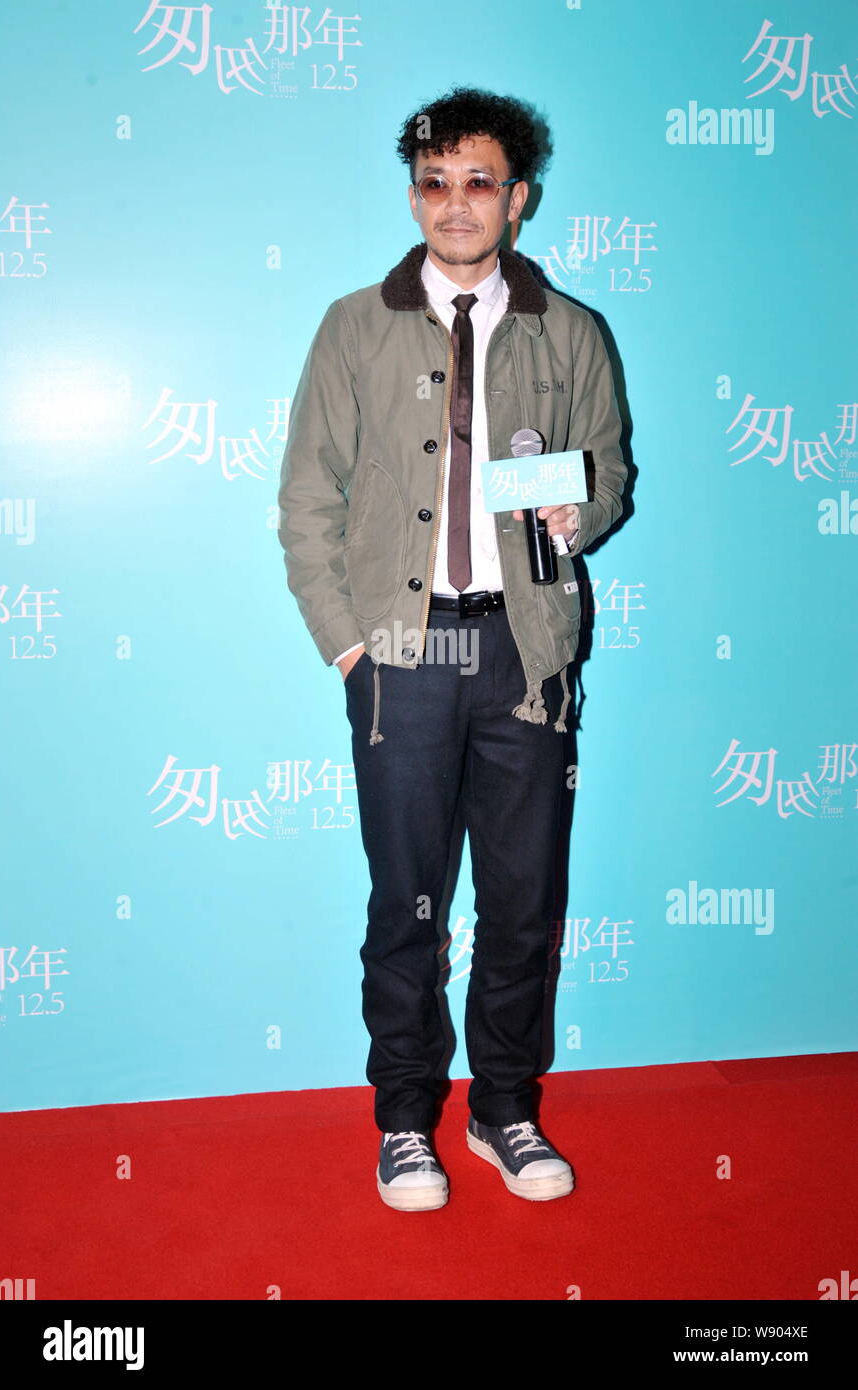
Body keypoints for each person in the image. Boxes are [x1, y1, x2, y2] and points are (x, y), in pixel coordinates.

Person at [277, 86, 627, 1212]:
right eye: (433, 181)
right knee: (408, 903)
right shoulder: (352, 325)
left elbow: (609, 470)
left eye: (479, 181)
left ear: (518, 197)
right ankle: (404, 1121)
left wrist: (584, 509)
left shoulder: (567, 330)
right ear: (413, 194)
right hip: (400, 654)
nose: (455, 203)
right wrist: (348, 647)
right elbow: (305, 502)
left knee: (522, 902)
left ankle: (505, 1110)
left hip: (525, 652)